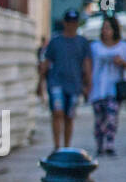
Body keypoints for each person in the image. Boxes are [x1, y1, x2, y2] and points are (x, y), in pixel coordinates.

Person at [39, 10, 93, 151]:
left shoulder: (82, 42)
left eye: (74, 22)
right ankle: (57, 146)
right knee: (58, 113)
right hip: (56, 82)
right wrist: (40, 83)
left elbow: (86, 63)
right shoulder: (55, 41)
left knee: (69, 116)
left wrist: (88, 84)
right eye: (69, 22)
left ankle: (66, 146)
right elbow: (46, 62)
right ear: (64, 22)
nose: (71, 25)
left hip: (74, 84)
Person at [88, 15, 126, 157]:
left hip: (114, 88)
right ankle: (100, 144)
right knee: (100, 118)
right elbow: (88, 65)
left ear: (114, 30)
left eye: (108, 28)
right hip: (97, 88)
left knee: (111, 116)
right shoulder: (94, 47)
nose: (105, 31)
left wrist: (122, 62)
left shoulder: (123, 46)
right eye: (104, 28)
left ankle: (109, 144)